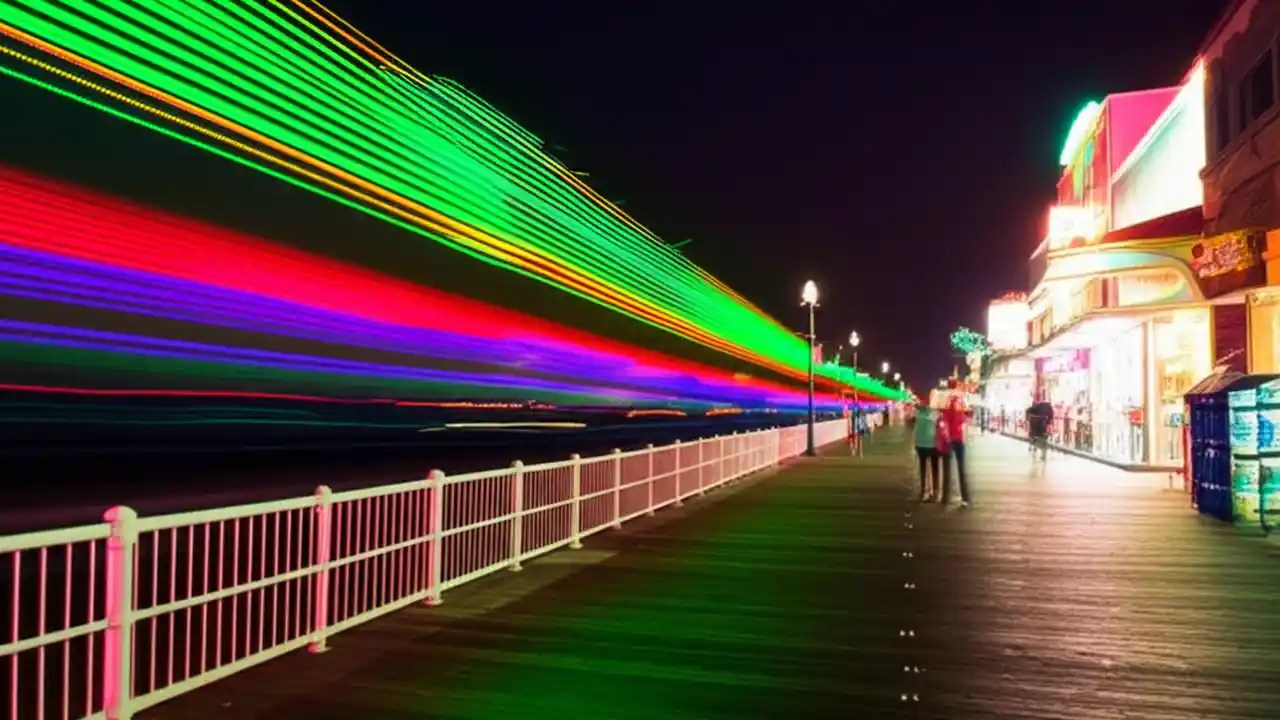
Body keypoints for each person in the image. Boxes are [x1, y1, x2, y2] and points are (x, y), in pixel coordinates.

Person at [941, 395, 971, 506]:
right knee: (961, 469)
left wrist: (946, 436)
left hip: (949, 440)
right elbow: (964, 421)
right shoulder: (961, 408)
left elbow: (944, 423)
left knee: (947, 470)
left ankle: (945, 497)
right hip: (959, 439)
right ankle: (965, 497)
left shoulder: (946, 407)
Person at [912, 404, 941, 501]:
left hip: (925, 443)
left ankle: (926, 491)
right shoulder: (934, 411)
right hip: (927, 443)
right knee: (932, 468)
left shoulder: (918, 411)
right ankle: (930, 491)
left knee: (925, 468)